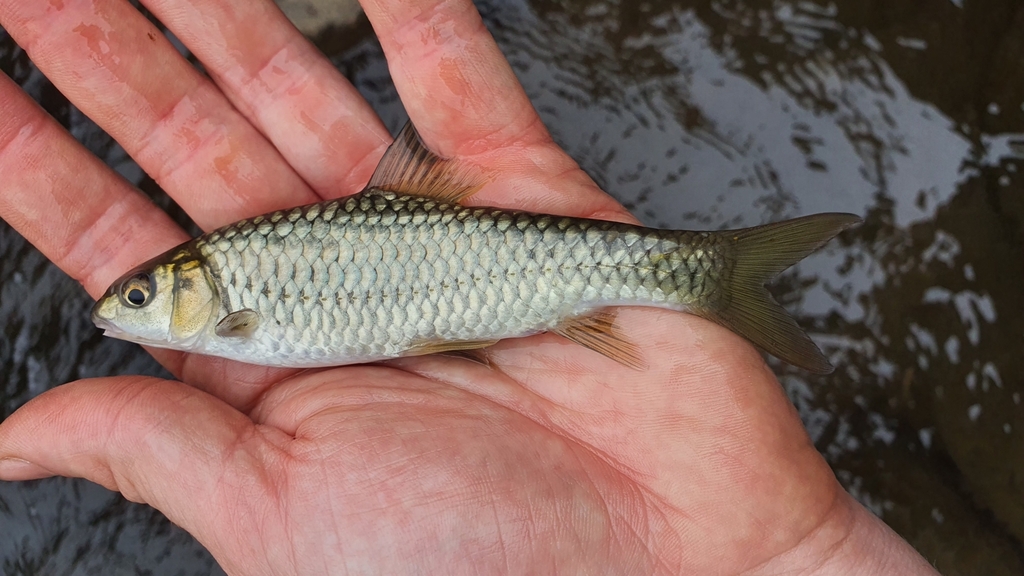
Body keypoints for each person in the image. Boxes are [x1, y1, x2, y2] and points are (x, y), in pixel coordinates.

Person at [0, 0, 939, 573]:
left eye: (141, 298)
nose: (122, 313)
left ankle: (707, 275)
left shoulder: (233, 308)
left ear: (193, 288)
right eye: (136, 301)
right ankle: (706, 274)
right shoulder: (230, 295)